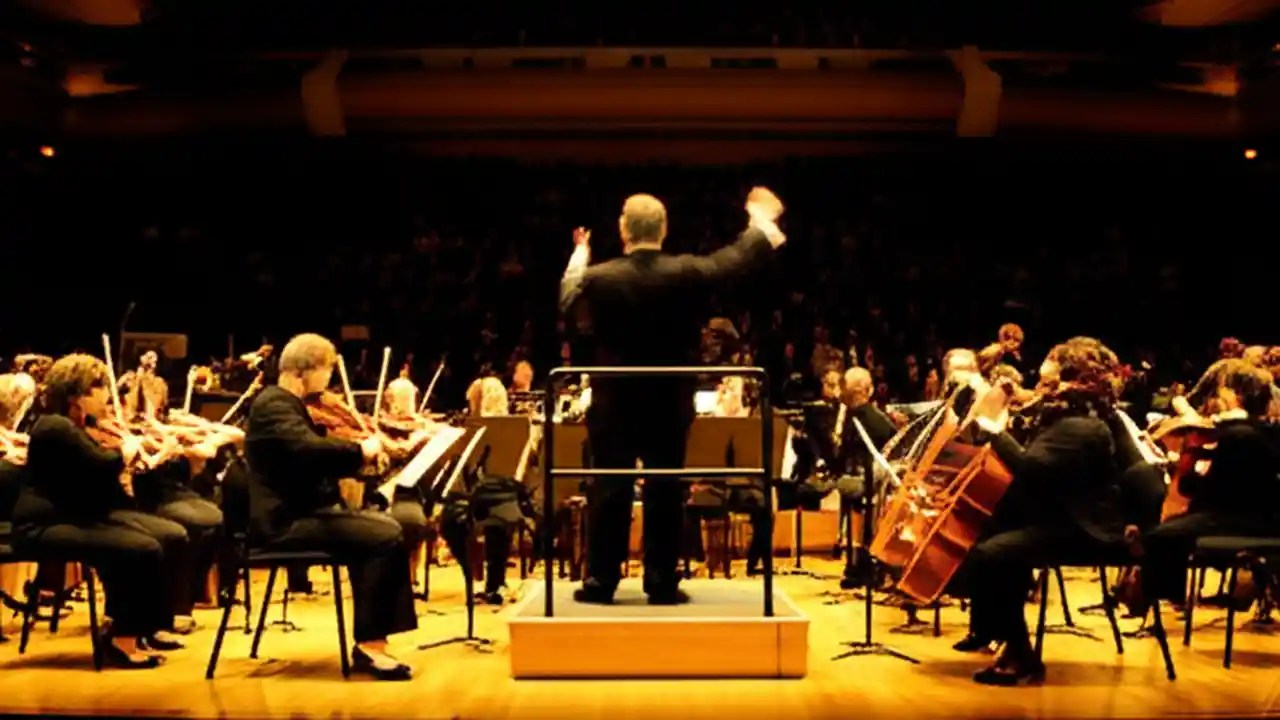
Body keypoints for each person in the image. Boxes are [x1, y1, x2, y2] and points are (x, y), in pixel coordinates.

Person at [560, 187, 787, 605]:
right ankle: (662, 581)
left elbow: (568, 301)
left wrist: (580, 255)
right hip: (668, 400)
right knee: (666, 488)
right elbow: (733, 261)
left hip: (614, 401)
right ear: (663, 230)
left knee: (609, 488)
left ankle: (601, 582)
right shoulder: (686, 271)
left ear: (623, 230)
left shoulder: (600, 277)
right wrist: (761, 223)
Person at [244, 333, 416, 680]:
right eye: (326, 371)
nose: (329, 382)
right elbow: (307, 450)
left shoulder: (284, 404)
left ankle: (372, 641)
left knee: (379, 528)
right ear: (304, 371)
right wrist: (359, 451)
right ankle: (370, 646)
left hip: (302, 513)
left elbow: (306, 458)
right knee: (384, 535)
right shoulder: (273, 403)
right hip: (282, 524)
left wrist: (359, 462)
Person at [963, 337, 1127, 686]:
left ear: (1071, 374)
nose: (1043, 369)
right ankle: (1006, 641)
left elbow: (1031, 468)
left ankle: (1019, 651)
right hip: (1055, 517)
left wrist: (994, 430)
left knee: (992, 555)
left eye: (1052, 360)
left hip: (1081, 528)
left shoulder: (1083, 424)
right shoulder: (1066, 413)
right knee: (991, 539)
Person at [10, 354, 191, 667]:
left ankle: (146, 627)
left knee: (168, 536)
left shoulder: (78, 426)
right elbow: (99, 465)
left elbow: (98, 478)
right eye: (99, 387)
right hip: (43, 524)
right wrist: (125, 450)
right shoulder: (54, 426)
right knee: (140, 547)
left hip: (79, 515)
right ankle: (122, 639)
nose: (107, 396)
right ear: (76, 395)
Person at [1140, 360, 1280, 610]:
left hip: (1241, 518)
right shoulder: (1258, 429)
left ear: (1235, 394)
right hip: (1256, 514)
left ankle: (1158, 603)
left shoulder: (1237, 434)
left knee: (1161, 535)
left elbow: (1215, 493)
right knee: (1171, 528)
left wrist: (1188, 480)